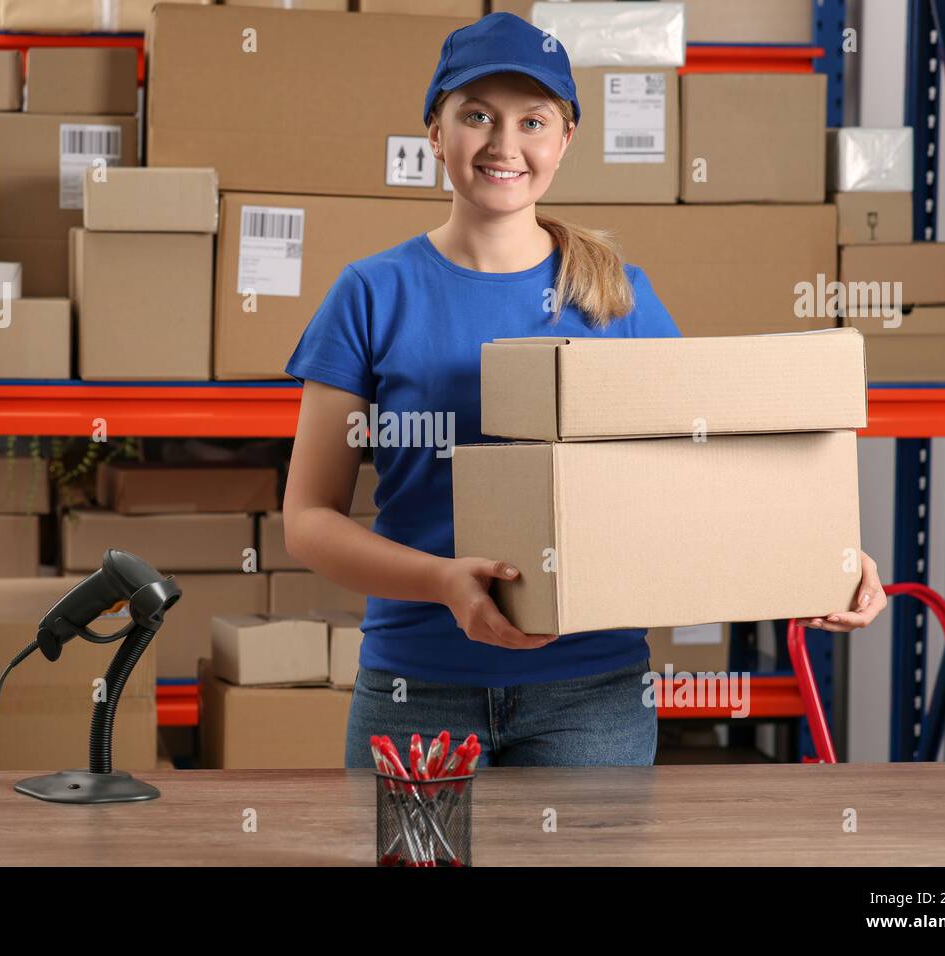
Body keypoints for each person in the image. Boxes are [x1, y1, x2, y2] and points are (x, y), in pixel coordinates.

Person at [281, 12, 888, 769]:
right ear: (435, 133)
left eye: (532, 121)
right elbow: (306, 519)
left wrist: (814, 558)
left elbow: (701, 482)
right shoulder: (371, 294)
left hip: (589, 696)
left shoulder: (617, 300)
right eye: (477, 116)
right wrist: (442, 583)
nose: (505, 145)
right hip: (418, 688)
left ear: (563, 141)